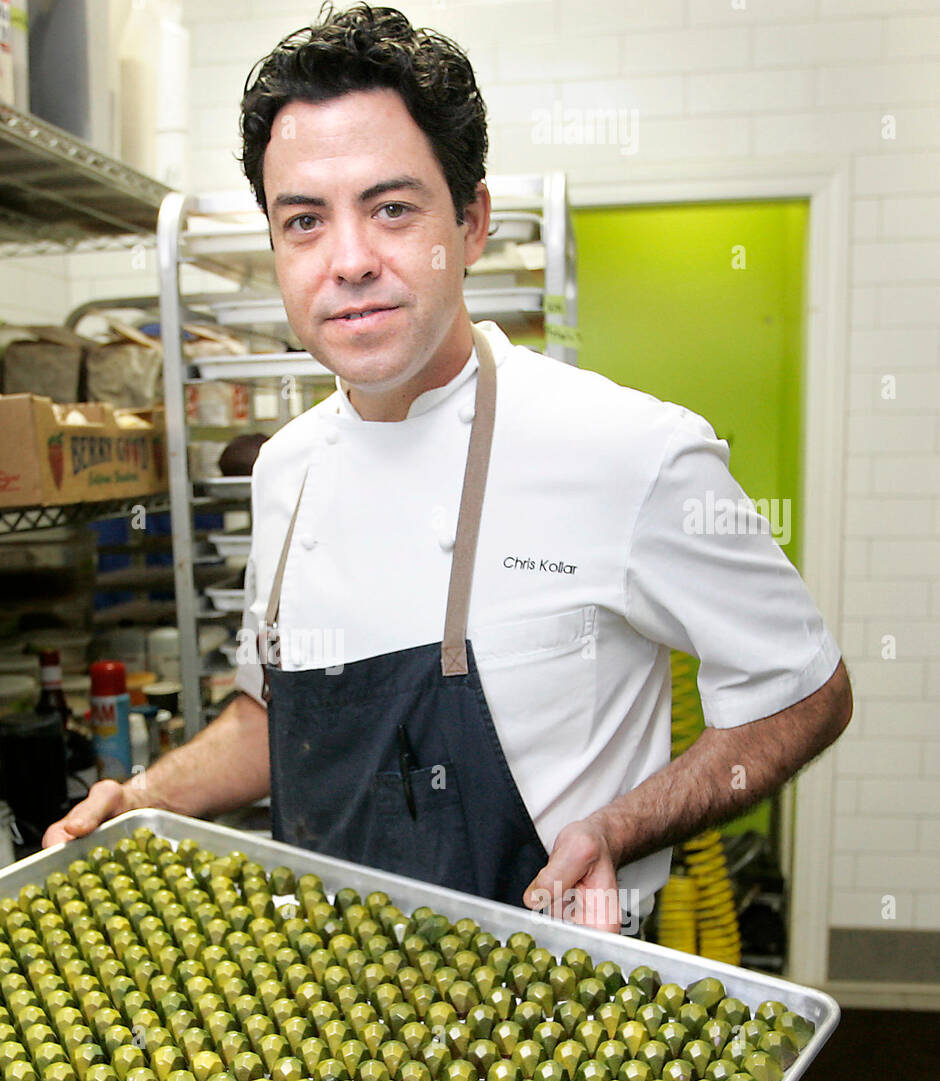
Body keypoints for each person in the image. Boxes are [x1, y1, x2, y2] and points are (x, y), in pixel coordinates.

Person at [44, 3, 851, 935]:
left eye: (391, 209)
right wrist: (145, 795)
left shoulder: (628, 450)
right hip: (335, 1007)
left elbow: (806, 690)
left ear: (469, 226)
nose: (348, 261)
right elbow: (275, 721)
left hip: (556, 1021)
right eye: (304, 221)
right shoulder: (286, 474)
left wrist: (622, 826)